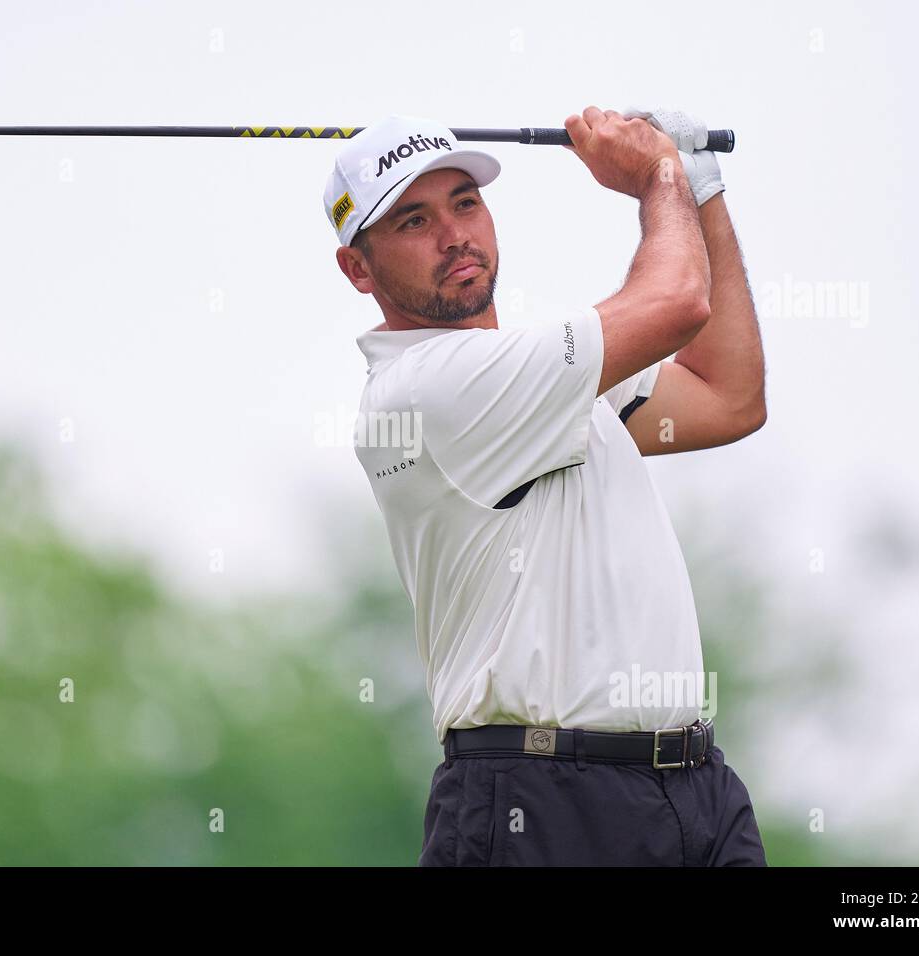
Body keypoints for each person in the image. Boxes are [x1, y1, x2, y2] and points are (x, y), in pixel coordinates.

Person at [325, 108, 768, 866]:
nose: (454, 234)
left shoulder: (539, 377)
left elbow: (729, 395)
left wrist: (701, 187)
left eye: (465, 203)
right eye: (413, 221)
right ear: (359, 269)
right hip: (540, 806)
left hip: (694, 788)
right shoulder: (426, 389)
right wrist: (658, 177)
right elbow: (675, 306)